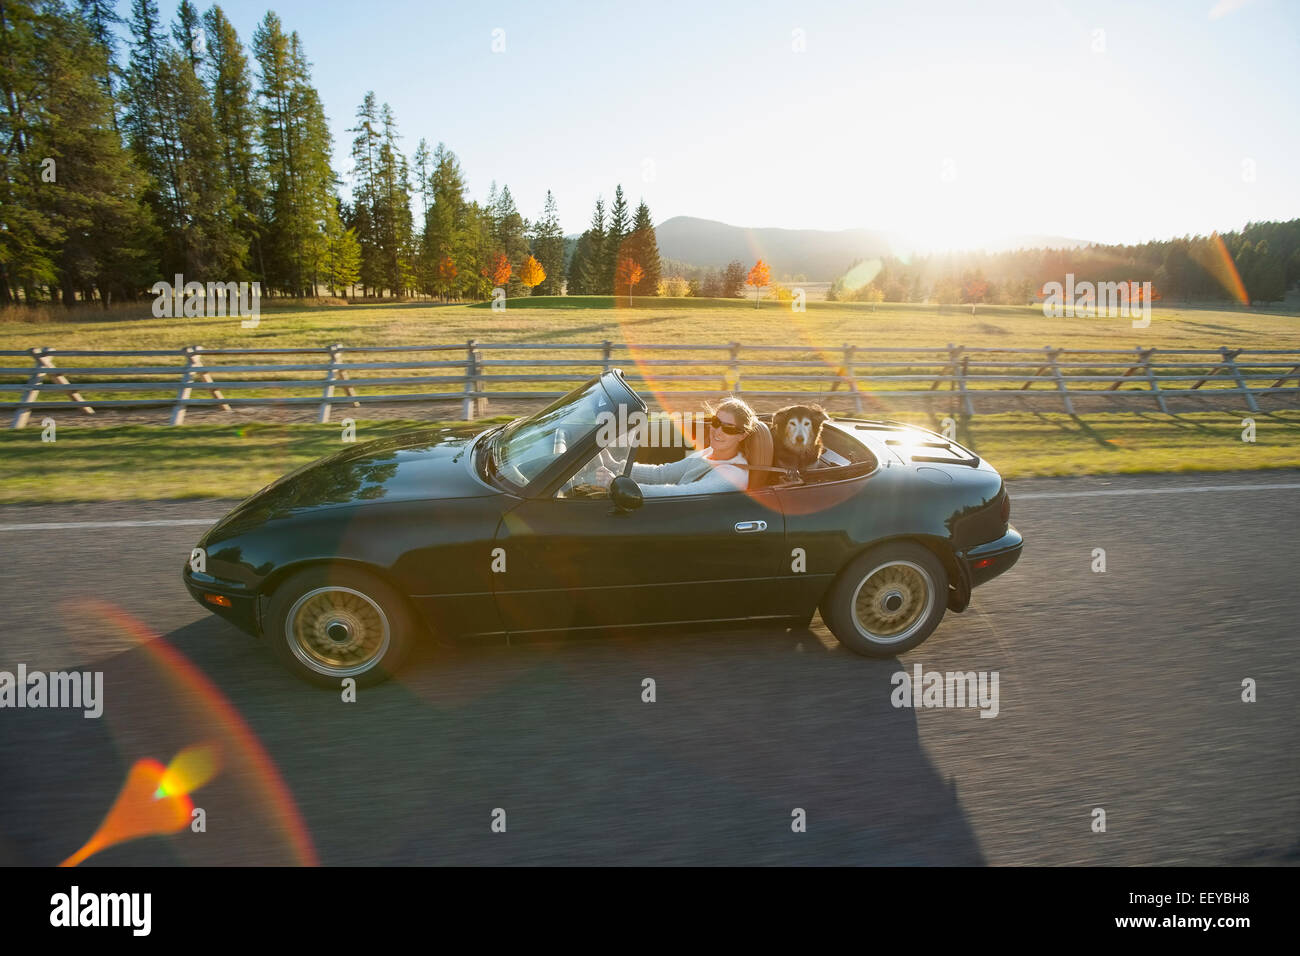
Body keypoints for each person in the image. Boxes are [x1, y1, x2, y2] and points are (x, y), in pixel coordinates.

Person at [597, 398, 756, 497]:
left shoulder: (733, 475)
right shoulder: (711, 452)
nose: (717, 431)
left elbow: (680, 494)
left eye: (728, 428)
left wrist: (616, 484)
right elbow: (662, 474)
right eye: (716, 423)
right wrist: (615, 465)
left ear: (742, 435)